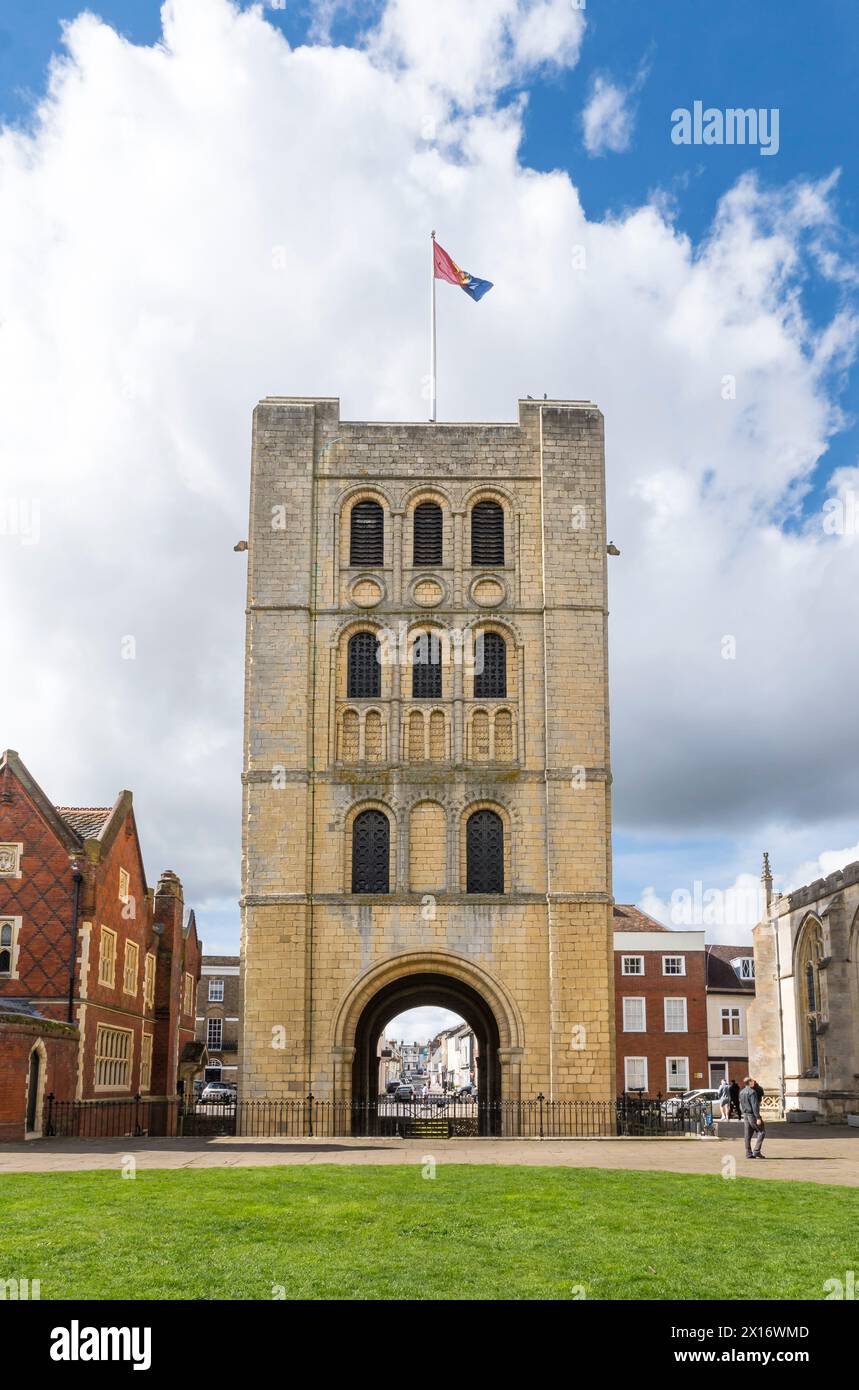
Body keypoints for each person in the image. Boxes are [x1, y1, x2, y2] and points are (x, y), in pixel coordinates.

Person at [739, 1076, 765, 1159]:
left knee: (747, 1135)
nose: (753, 1082)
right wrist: (758, 1117)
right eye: (752, 1081)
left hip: (745, 1115)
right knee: (761, 1132)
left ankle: (748, 1153)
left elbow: (740, 1105)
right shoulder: (752, 1092)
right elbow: (755, 1106)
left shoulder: (742, 1092)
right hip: (752, 1115)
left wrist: (743, 1113)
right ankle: (756, 1151)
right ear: (750, 1082)